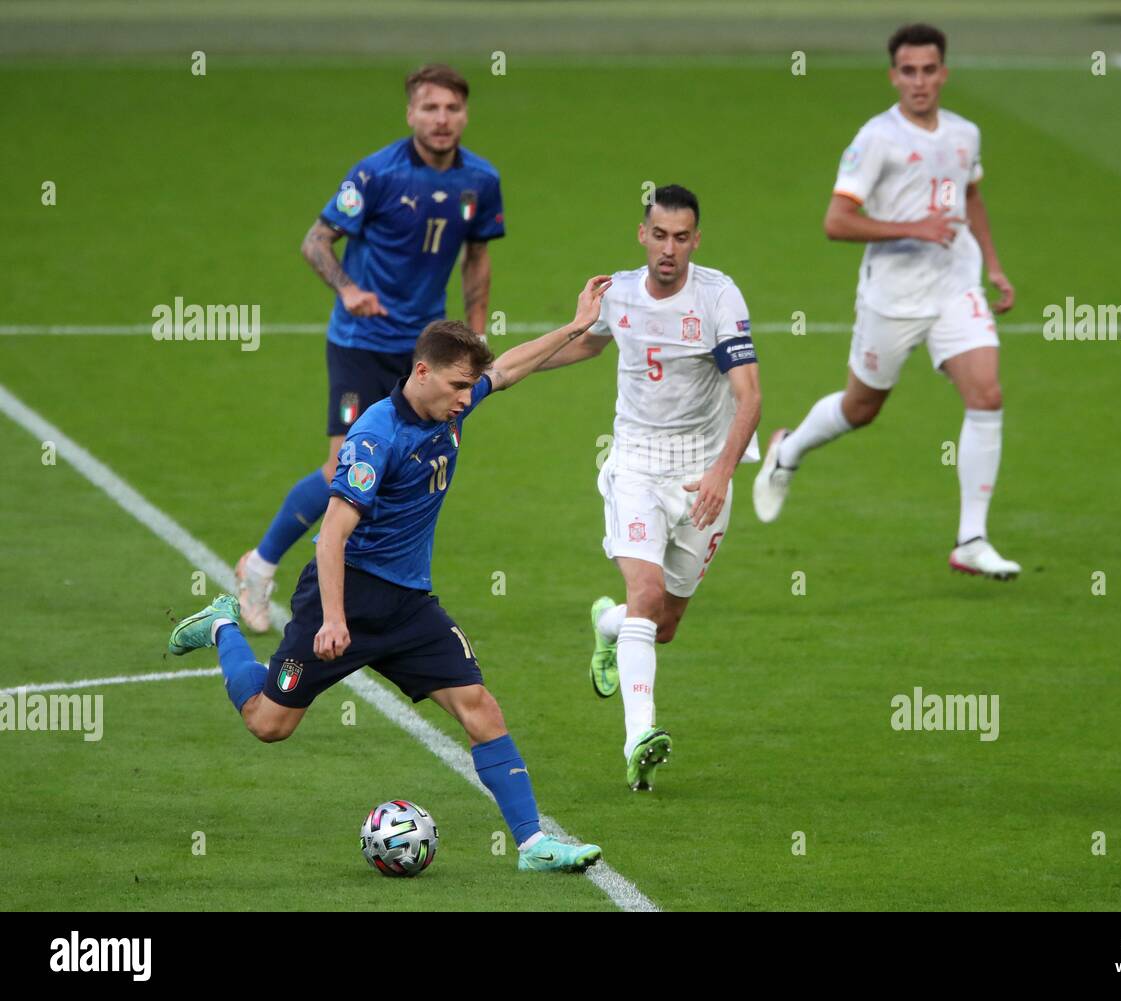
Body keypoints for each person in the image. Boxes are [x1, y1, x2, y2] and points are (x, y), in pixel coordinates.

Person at [169, 276, 611, 873]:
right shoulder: (376, 437)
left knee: (480, 707)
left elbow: (504, 370)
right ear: (422, 372)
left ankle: (533, 844)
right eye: (458, 385)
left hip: (408, 607)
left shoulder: (449, 405)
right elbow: (331, 535)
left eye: (467, 387)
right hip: (347, 597)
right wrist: (331, 618)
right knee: (269, 724)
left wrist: (577, 324)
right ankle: (223, 625)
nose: (467, 397)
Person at [237, 64, 506, 632]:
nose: (441, 119)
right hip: (360, 343)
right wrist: (349, 289)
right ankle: (261, 565)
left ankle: (371, 582)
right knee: (343, 464)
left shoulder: (480, 180)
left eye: (452, 109)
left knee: (405, 461)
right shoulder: (376, 174)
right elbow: (315, 241)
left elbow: (477, 256)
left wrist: (475, 340)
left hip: (425, 353)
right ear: (411, 113)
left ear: (466, 114)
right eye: (430, 108)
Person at [752, 23, 1020, 580]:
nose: (919, 82)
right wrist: (915, 228)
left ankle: (971, 538)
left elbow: (971, 195)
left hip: (955, 287)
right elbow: (836, 221)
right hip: (893, 296)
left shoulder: (966, 133)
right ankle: (788, 449)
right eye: (908, 71)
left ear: (943, 73)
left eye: (929, 70)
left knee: (987, 394)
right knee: (861, 409)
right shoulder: (877, 139)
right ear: (893, 76)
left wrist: (992, 264)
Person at [535, 185, 762, 791]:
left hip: (702, 473)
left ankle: (607, 625)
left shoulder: (718, 296)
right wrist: (506, 368)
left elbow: (750, 396)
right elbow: (589, 340)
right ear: (642, 235)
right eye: (659, 235)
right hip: (634, 463)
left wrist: (720, 473)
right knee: (646, 589)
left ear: (696, 239)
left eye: (681, 237)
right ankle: (640, 737)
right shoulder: (622, 293)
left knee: (661, 622)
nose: (669, 248)